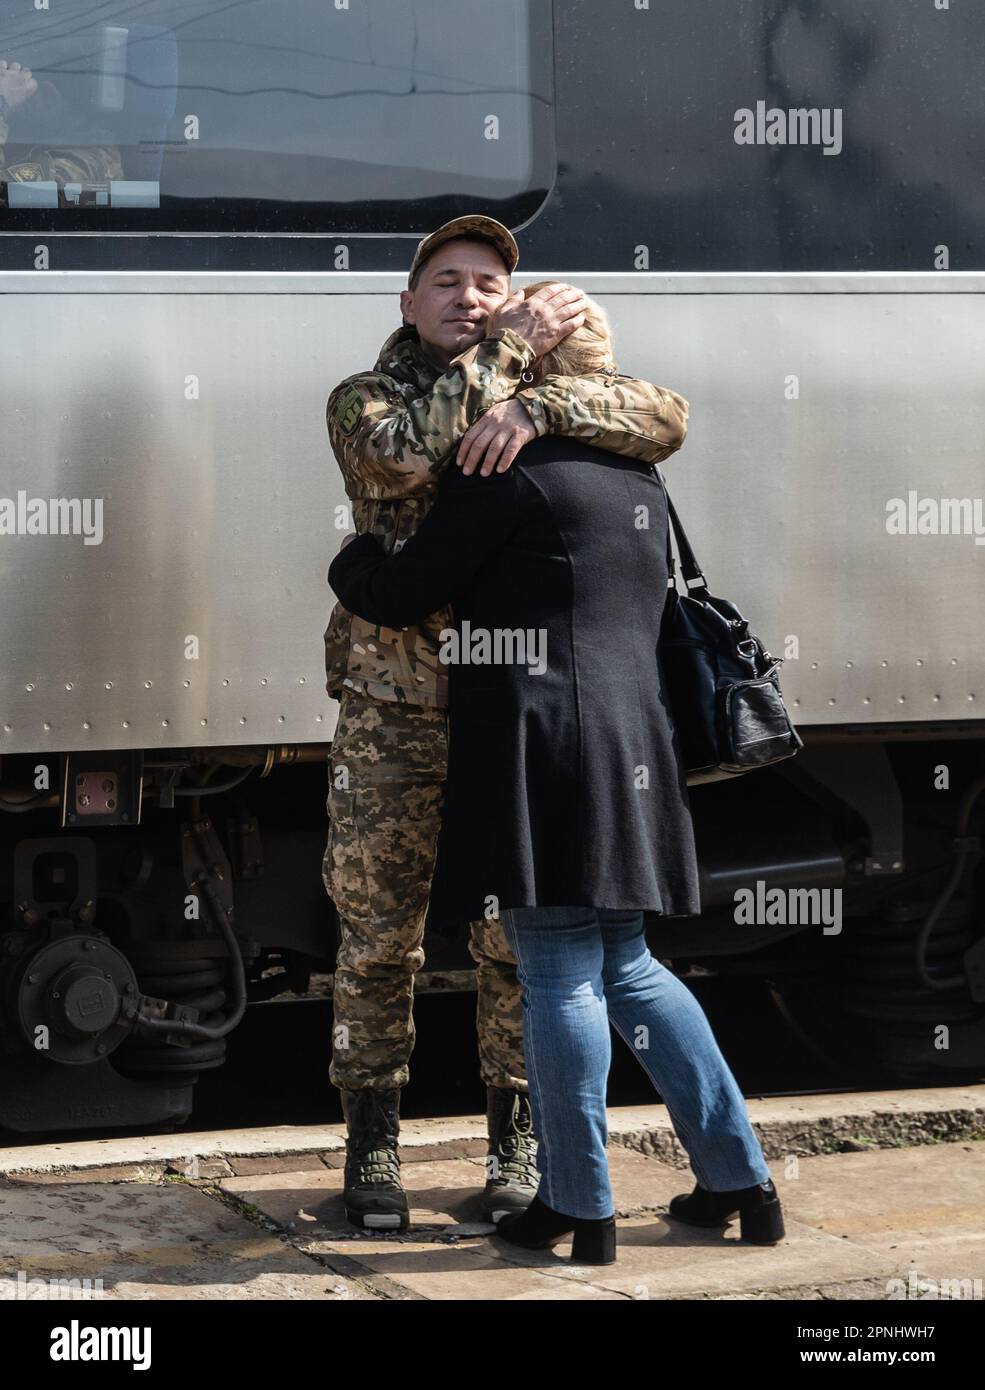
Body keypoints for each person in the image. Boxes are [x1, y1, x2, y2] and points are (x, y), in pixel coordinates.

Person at [327, 290, 785, 1265]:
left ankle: (577, 1203)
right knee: (632, 968)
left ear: (534, 370)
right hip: (635, 747)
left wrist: (352, 560)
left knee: (557, 973)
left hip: (545, 750)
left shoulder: (507, 469)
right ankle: (739, 1178)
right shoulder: (636, 475)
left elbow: (407, 589)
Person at [0, 58, 123, 201]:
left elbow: (5, 197)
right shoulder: (37, 142)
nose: (15, 105)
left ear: (49, 96)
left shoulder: (91, 160)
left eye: (19, 92)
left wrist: (2, 102)